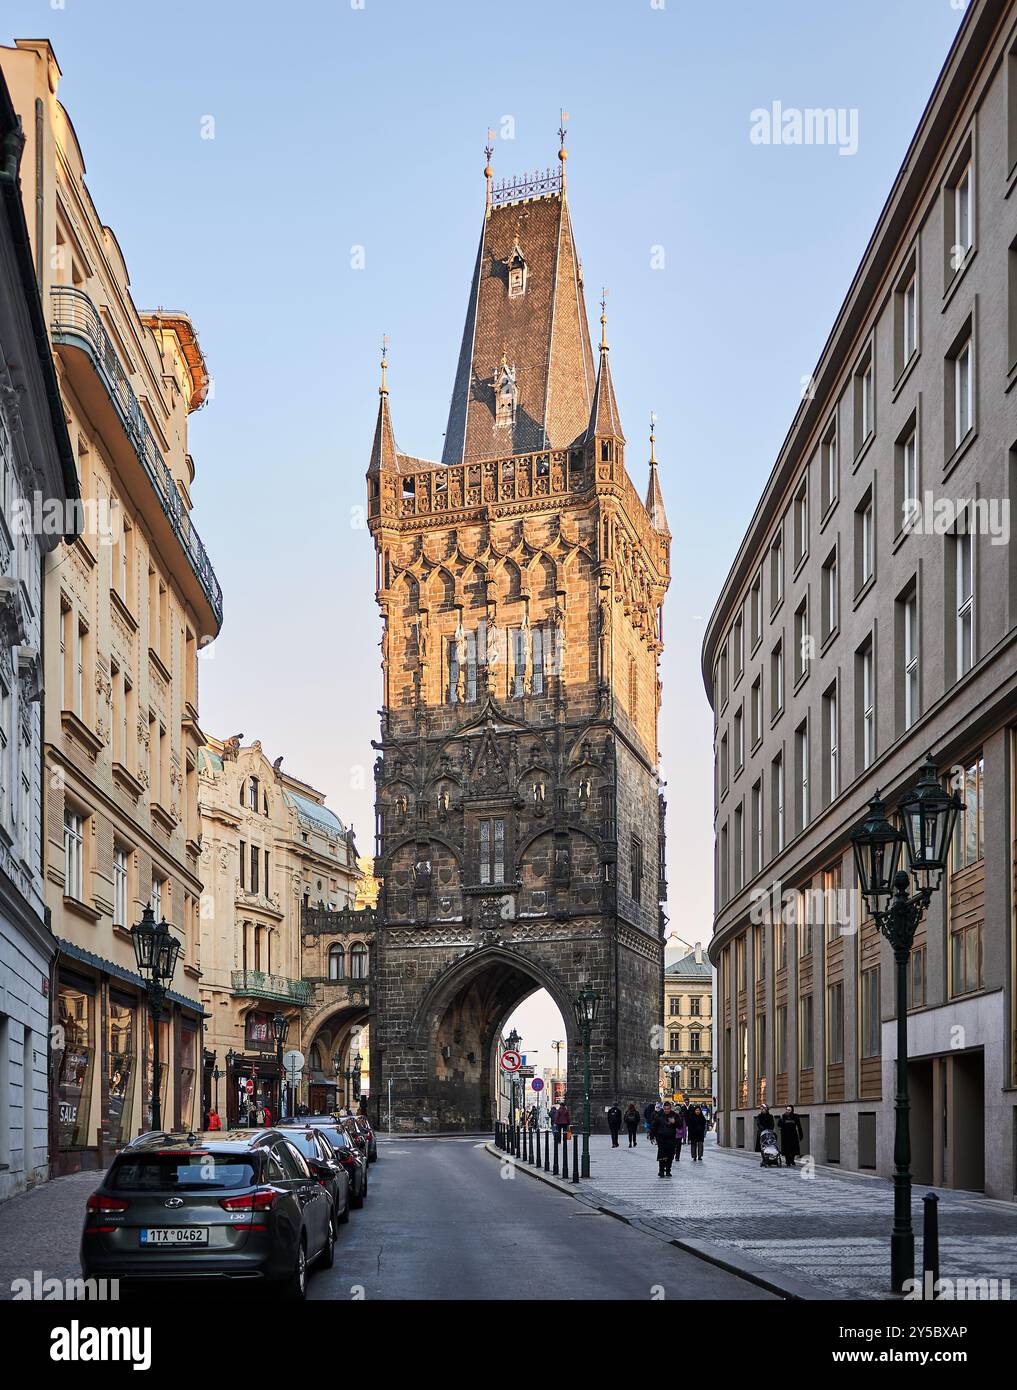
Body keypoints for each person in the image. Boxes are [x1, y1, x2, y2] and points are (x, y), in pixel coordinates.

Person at [649, 1100, 680, 1176]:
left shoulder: (674, 1115)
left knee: (670, 1155)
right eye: (665, 1109)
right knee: (662, 1155)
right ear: (663, 1108)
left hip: (671, 1139)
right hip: (661, 1139)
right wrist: (652, 1136)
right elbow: (654, 1126)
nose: (666, 1110)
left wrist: (674, 1122)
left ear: (670, 1108)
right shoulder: (659, 1115)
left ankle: (668, 1170)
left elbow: (680, 1125)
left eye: (668, 1109)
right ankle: (661, 1170)